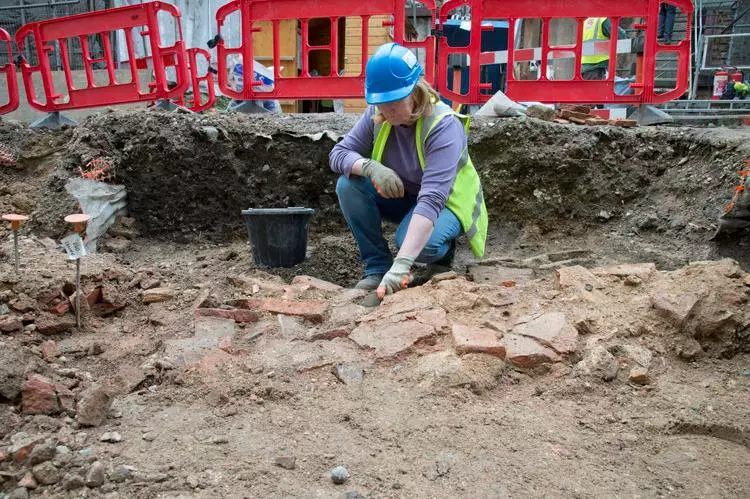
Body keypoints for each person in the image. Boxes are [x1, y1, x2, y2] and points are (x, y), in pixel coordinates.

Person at [329, 43, 488, 298]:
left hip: (447, 204)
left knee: (415, 244)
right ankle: (377, 268)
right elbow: (338, 155)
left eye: (394, 102)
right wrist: (370, 167)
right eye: (381, 103)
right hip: (406, 198)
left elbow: (432, 199)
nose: (387, 110)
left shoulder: (443, 126)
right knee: (348, 186)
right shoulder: (377, 113)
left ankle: (443, 254)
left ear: (415, 90)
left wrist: (402, 266)